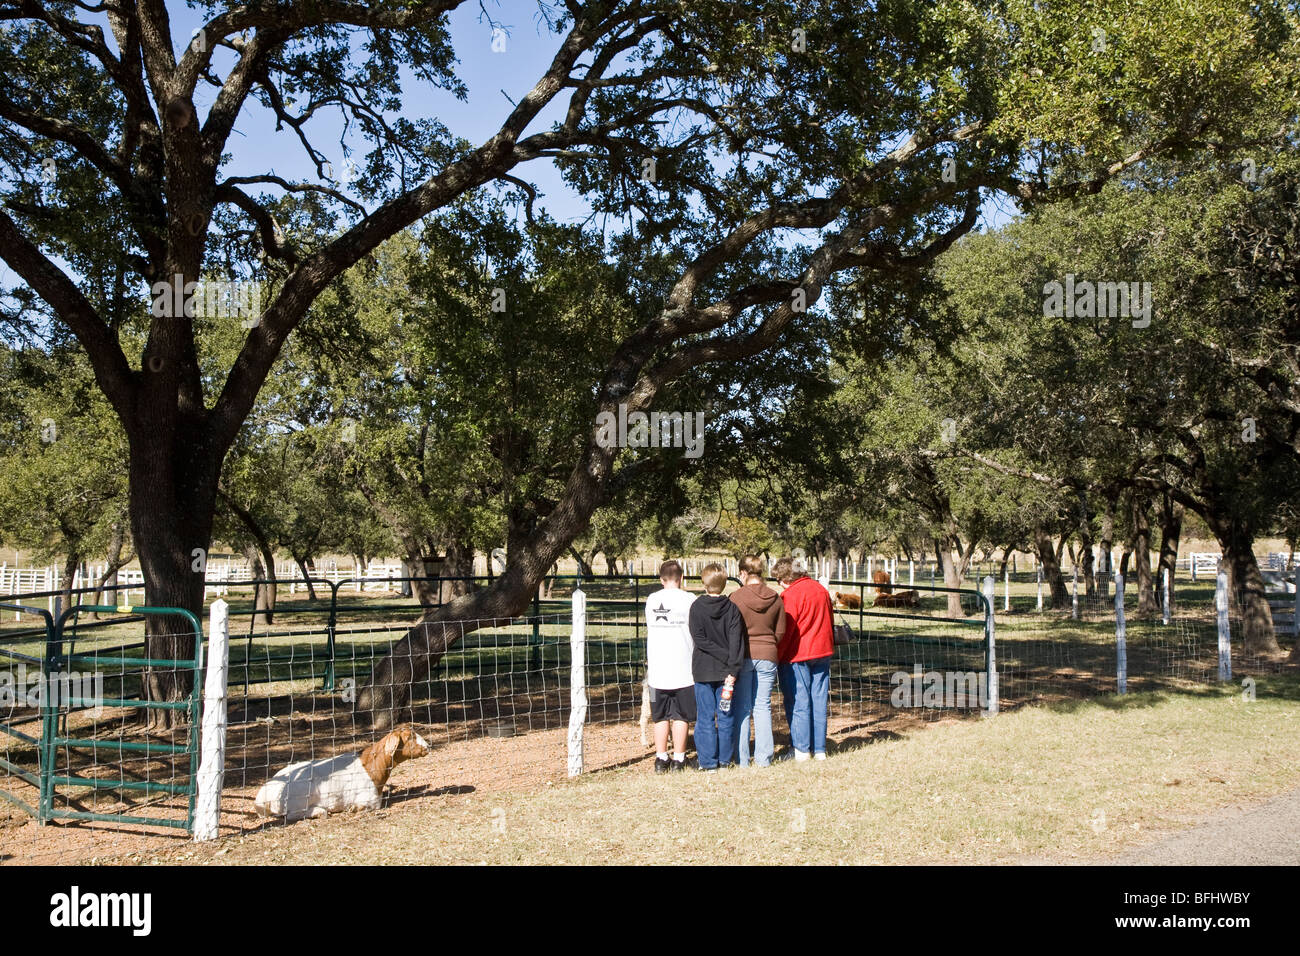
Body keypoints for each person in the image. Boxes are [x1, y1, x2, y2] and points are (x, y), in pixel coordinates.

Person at [773, 555, 834, 762]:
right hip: (822, 650)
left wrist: (778, 656)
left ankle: (800, 748)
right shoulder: (821, 590)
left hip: (798, 654)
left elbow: (787, 631)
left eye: (779, 580)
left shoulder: (791, 596)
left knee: (798, 700)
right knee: (819, 699)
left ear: (785, 578)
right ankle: (819, 749)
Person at [688, 562, 746, 771]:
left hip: (703, 670)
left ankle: (708, 761)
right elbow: (736, 642)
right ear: (724, 583)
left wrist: (726, 660)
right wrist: (732, 667)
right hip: (726, 673)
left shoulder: (696, 607)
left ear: (704, 583)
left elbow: (700, 639)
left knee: (705, 717)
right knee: (725, 715)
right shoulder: (732, 608)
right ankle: (724, 759)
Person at [729, 555, 786, 768]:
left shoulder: (736, 597)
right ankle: (763, 758)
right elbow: (780, 631)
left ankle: (742, 759)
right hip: (768, 655)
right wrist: (769, 644)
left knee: (742, 707)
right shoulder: (775, 597)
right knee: (762, 706)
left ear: (743, 573)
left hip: (743, 655)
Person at [643, 559, 697, 772]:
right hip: (684, 669)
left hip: (657, 669)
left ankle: (661, 756)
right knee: (681, 716)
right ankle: (680, 758)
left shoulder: (652, 599)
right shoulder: (690, 599)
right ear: (682, 578)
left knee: (660, 716)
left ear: (661, 579)